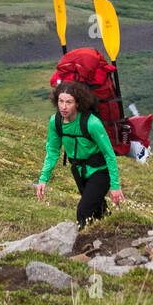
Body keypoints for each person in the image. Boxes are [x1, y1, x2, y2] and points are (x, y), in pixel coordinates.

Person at [36, 81, 124, 226]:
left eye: (69, 102)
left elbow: (109, 154)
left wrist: (115, 186)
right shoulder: (55, 122)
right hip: (78, 171)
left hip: (100, 172)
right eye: (61, 101)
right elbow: (52, 151)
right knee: (98, 210)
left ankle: (81, 244)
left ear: (77, 103)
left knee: (83, 211)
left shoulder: (92, 123)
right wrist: (43, 179)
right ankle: (112, 234)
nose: (63, 107)